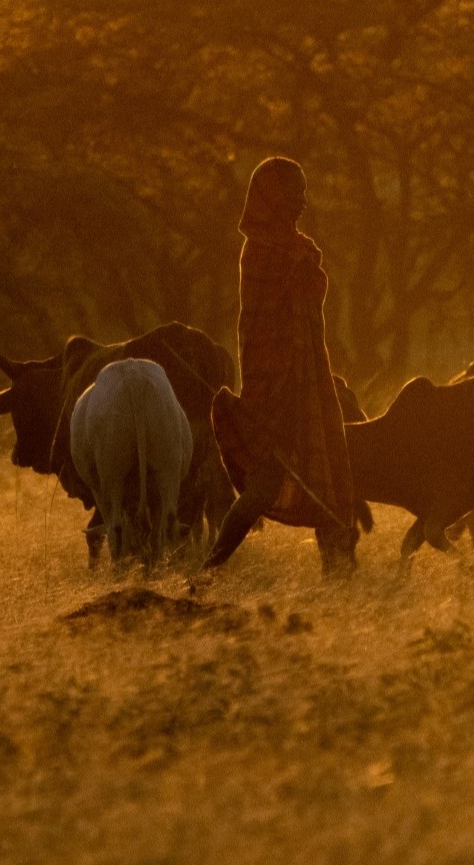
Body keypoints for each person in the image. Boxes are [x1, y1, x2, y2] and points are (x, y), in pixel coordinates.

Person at [204, 157, 367, 575]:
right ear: (274, 198)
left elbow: (310, 307)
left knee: (329, 481)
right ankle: (210, 569)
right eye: (296, 192)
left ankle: (340, 576)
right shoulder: (258, 255)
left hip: (310, 388)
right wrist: (276, 392)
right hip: (274, 395)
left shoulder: (301, 250)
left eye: (304, 192)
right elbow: (257, 332)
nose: (303, 202)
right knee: (260, 491)